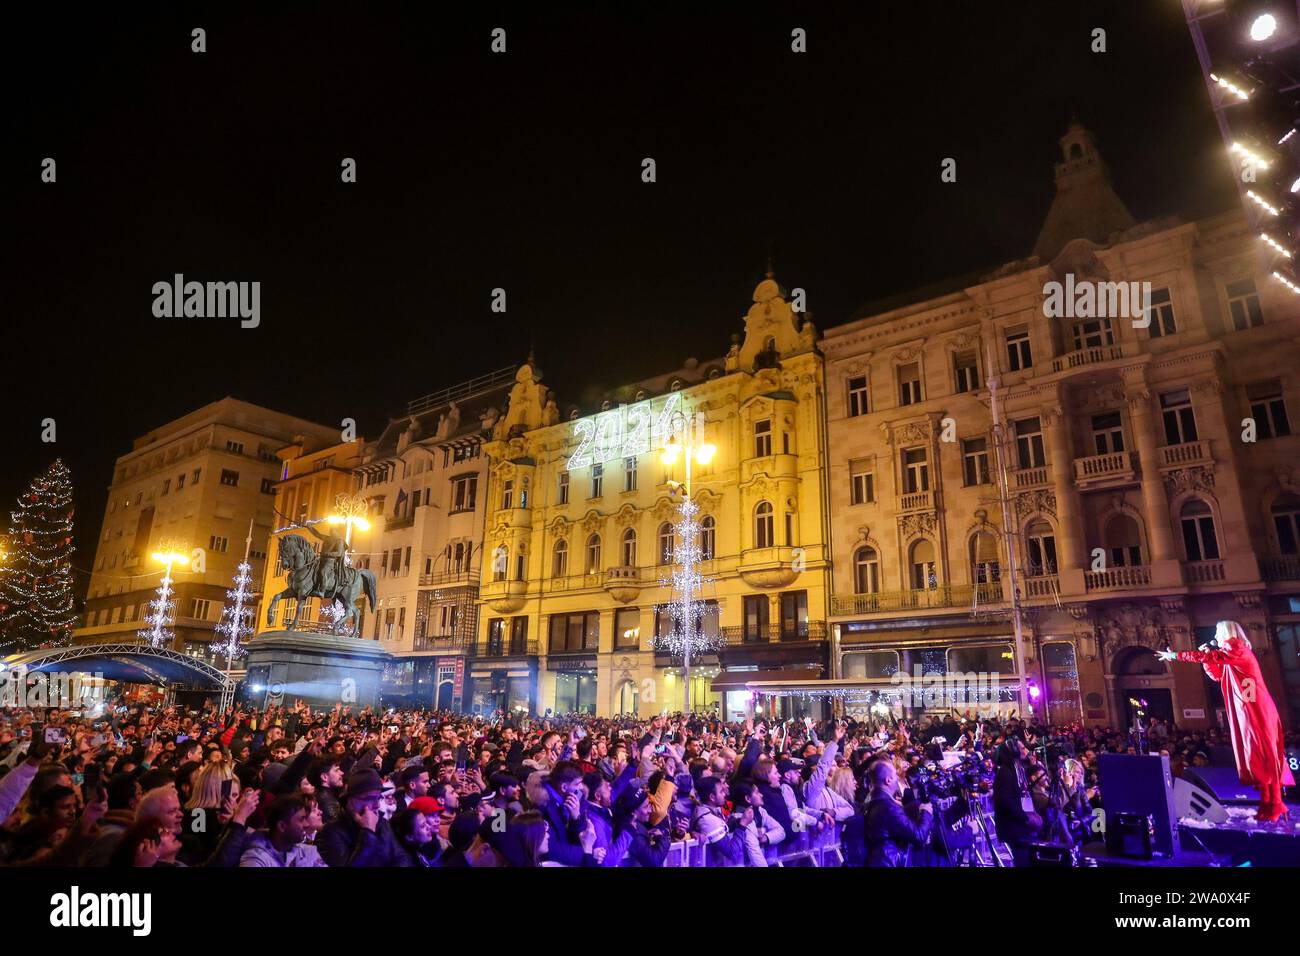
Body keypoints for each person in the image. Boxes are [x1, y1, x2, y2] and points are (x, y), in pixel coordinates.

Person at [1158, 620, 1295, 822]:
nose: (1215, 634)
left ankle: (1275, 803)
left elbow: (1218, 662)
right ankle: (1268, 802)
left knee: (1263, 752)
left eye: (1217, 631)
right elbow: (1218, 675)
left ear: (1227, 632)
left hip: (1254, 708)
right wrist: (1207, 659)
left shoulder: (1236, 646)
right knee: (1257, 754)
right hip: (1247, 707)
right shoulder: (1231, 654)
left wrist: (1176, 655)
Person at [316, 770, 411, 867]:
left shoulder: (382, 823)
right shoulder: (329, 833)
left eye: (378, 798)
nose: (377, 805)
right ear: (350, 801)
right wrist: (368, 832)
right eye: (370, 798)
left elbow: (402, 857)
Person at [863, 759, 933, 867]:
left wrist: (913, 806)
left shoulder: (870, 802)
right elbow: (919, 836)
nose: (898, 778)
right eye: (895, 775)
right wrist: (926, 812)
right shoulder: (888, 808)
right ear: (888, 780)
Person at [239, 795, 325, 867]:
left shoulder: (308, 852)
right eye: (301, 819)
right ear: (282, 826)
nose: (306, 824)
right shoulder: (256, 859)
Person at [992, 738, 1041, 866]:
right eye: (1022, 748)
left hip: (1020, 823)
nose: (1026, 750)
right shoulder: (1005, 773)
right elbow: (1007, 803)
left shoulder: (1017, 768)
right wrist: (1026, 818)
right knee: (1023, 860)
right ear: (1013, 752)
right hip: (1014, 826)